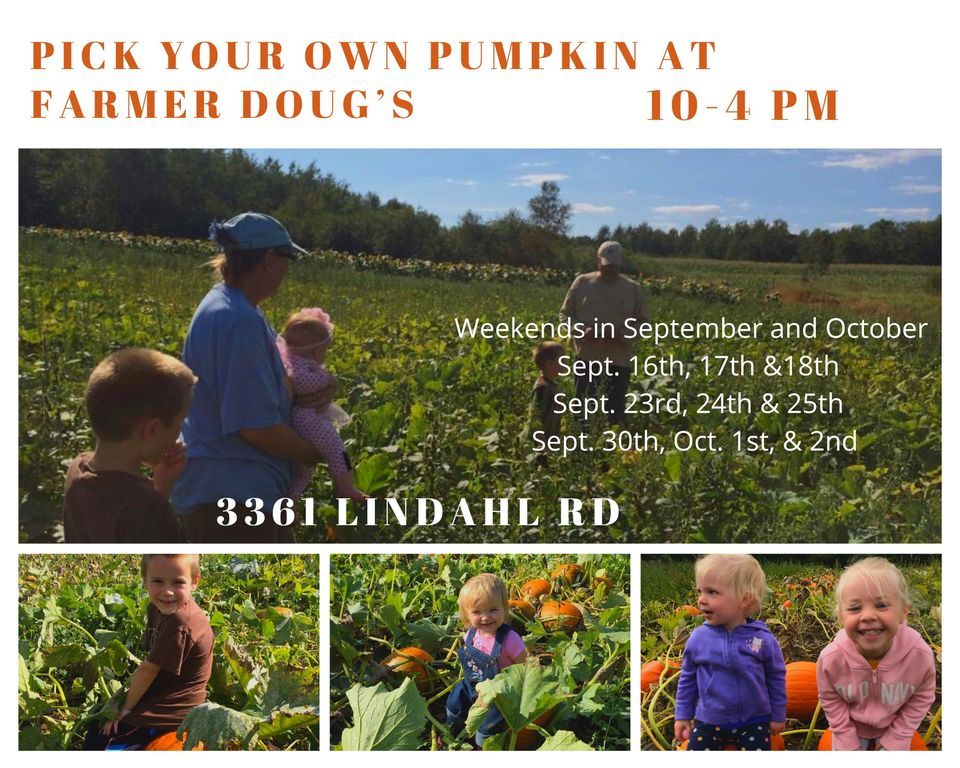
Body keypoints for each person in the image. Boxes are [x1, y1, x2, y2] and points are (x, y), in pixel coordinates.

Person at [172, 212, 325, 543]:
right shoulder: (236, 320)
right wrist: (318, 451)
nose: (287, 270)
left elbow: (275, 381)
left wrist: (324, 387)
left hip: (236, 490)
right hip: (233, 494)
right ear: (269, 259)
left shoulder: (237, 307)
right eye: (287, 259)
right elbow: (256, 427)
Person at [62, 348, 193, 543]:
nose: (179, 433)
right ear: (152, 430)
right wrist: (157, 502)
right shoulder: (146, 508)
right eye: (180, 423)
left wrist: (160, 487)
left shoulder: (77, 470)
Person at [85, 554, 213, 750]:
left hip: (172, 712)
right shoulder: (157, 607)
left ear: (194, 582)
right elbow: (150, 651)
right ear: (145, 580)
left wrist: (125, 710)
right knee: (97, 720)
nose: (167, 591)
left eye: (178, 582)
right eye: (158, 581)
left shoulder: (181, 623)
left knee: (104, 739)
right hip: (162, 691)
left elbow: (148, 670)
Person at [816, 557, 936, 750]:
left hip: (895, 728)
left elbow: (922, 696)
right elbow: (830, 698)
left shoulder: (919, 656)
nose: (868, 616)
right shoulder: (832, 658)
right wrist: (846, 737)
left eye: (881, 605)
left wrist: (899, 735)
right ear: (841, 617)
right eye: (854, 608)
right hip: (850, 729)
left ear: (903, 612)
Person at [674, 554, 787, 751]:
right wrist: (682, 715)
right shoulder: (698, 638)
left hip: (754, 720)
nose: (701, 599)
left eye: (712, 592)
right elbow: (688, 679)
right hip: (709, 720)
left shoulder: (762, 639)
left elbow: (776, 677)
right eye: (700, 591)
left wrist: (778, 715)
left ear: (744, 599)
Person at [278, 307, 365, 502]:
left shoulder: (293, 361)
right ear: (317, 350)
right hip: (309, 422)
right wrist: (328, 379)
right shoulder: (298, 367)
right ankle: (345, 486)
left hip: (302, 420)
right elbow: (300, 382)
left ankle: (290, 499)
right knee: (338, 450)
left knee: (303, 470)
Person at [559, 240, 650, 425]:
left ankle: (614, 440)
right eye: (607, 266)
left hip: (618, 361)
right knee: (583, 413)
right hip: (587, 359)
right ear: (598, 261)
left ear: (620, 264)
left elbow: (643, 325)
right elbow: (565, 315)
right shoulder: (582, 282)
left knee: (615, 415)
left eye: (614, 267)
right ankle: (582, 440)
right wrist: (582, 330)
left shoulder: (632, 288)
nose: (610, 271)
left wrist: (620, 335)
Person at [446, 574, 528, 746]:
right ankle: (452, 728)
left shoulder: (509, 639)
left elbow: (523, 666)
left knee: (489, 724)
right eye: (477, 612)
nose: (485, 617)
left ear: (504, 609)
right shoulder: (471, 634)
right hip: (473, 683)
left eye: (492, 610)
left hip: (499, 692)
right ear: (467, 614)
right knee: (455, 701)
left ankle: (483, 745)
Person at [520, 340, 564, 457]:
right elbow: (535, 419)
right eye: (562, 360)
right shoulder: (542, 388)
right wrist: (544, 445)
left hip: (548, 443)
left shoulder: (551, 385)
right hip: (537, 448)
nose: (566, 363)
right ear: (549, 364)